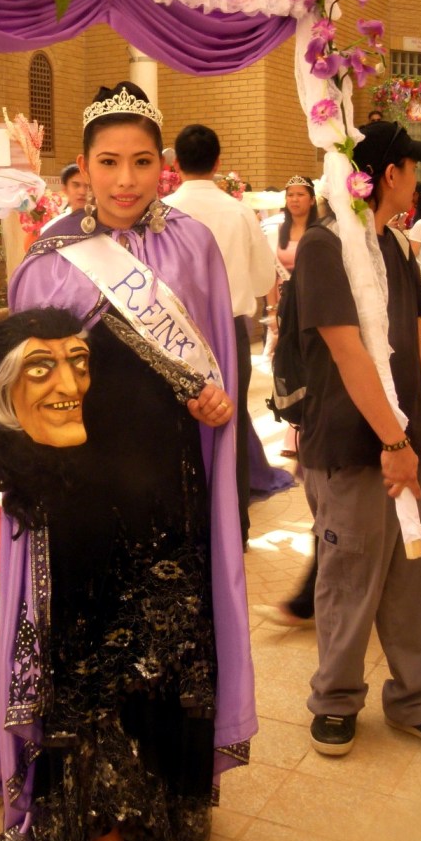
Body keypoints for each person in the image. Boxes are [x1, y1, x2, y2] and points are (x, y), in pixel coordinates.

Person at [0, 81, 256, 841]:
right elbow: (17, 391)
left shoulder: (193, 245)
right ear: (82, 167)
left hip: (171, 486)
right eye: (108, 162)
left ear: (161, 166)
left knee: (172, 652)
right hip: (82, 493)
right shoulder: (49, 256)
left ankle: (170, 811)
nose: (125, 179)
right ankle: (102, 825)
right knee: (93, 657)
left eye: (140, 162)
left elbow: (218, 362)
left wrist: (217, 404)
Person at [292, 121, 421, 758]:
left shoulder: (393, 244)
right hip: (350, 446)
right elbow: (348, 352)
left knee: (416, 576)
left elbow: (417, 339)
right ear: (387, 175)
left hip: (408, 443)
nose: (417, 179)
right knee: (349, 576)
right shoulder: (325, 247)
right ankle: (336, 699)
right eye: (411, 167)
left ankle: (419, 699)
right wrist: (393, 445)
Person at [164, 124, 278, 546]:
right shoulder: (239, 212)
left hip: (173, 333)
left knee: (179, 424)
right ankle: (235, 526)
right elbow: (264, 277)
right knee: (232, 423)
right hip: (229, 332)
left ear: (175, 164)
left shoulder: (162, 211)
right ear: (217, 162)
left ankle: (186, 529)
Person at [263, 175, 319, 457]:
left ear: (312, 199)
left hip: (313, 305)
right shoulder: (276, 231)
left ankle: (313, 427)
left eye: (300, 194)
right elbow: (270, 275)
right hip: (287, 308)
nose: (295, 200)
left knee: (313, 364)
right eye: (290, 195)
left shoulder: (321, 230)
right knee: (288, 364)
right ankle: (294, 426)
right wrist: (272, 311)